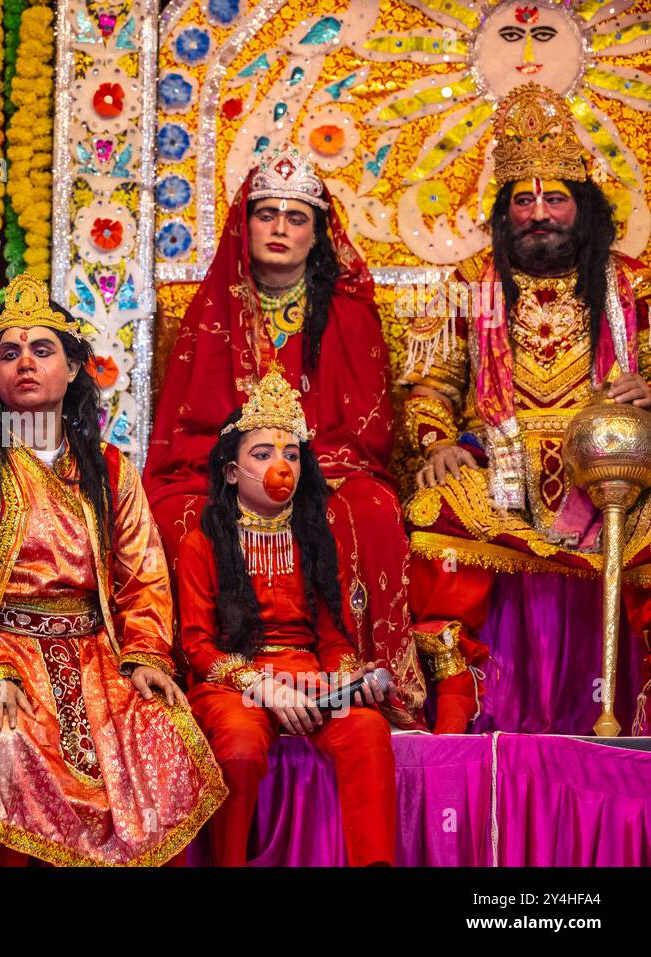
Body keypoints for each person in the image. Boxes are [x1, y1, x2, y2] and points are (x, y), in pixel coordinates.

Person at [0, 272, 226, 866]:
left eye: (42, 350)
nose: (25, 364)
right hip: (0, 656)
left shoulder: (110, 469)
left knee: (162, 737)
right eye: (9, 354)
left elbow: (145, 577)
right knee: (5, 752)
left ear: (74, 367)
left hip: (97, 657)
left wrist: (146, 655)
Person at [401, 83, 651, 733]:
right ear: (504, 212)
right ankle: (460, 714)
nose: (539, 211)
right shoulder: (469, 286)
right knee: (435, 503)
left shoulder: (633, 286)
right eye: (524, 199)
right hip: (502, 462)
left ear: (584, 207)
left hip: (610, 466)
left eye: (556, 198)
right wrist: (438, 442)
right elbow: (430, 384)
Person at [145, 145, 421, 725]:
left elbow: (365, 431)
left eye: (296, 217)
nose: (279, 228)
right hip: (221, 470)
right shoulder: (210, 310)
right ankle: (199, 678)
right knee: (175, 511)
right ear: (244, 225)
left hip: (324, 468)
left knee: (369, 509)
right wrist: (244, 467)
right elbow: (185, 426)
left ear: (317, 235)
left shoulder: (350, 315)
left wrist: (295, 469)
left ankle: (359, 677)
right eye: (266, 213)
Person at [177, 363, 396, 866]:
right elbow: (196, 645)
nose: (282, 466)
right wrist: (262, 687)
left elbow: (333, 637)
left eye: (292, 455)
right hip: (235, 685)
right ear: (232, 472)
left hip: (309, 679)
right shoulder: (201, 544)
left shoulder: (318, 539)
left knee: (366, 728)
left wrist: (349, 678)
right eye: (263, 454)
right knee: (238, 749)